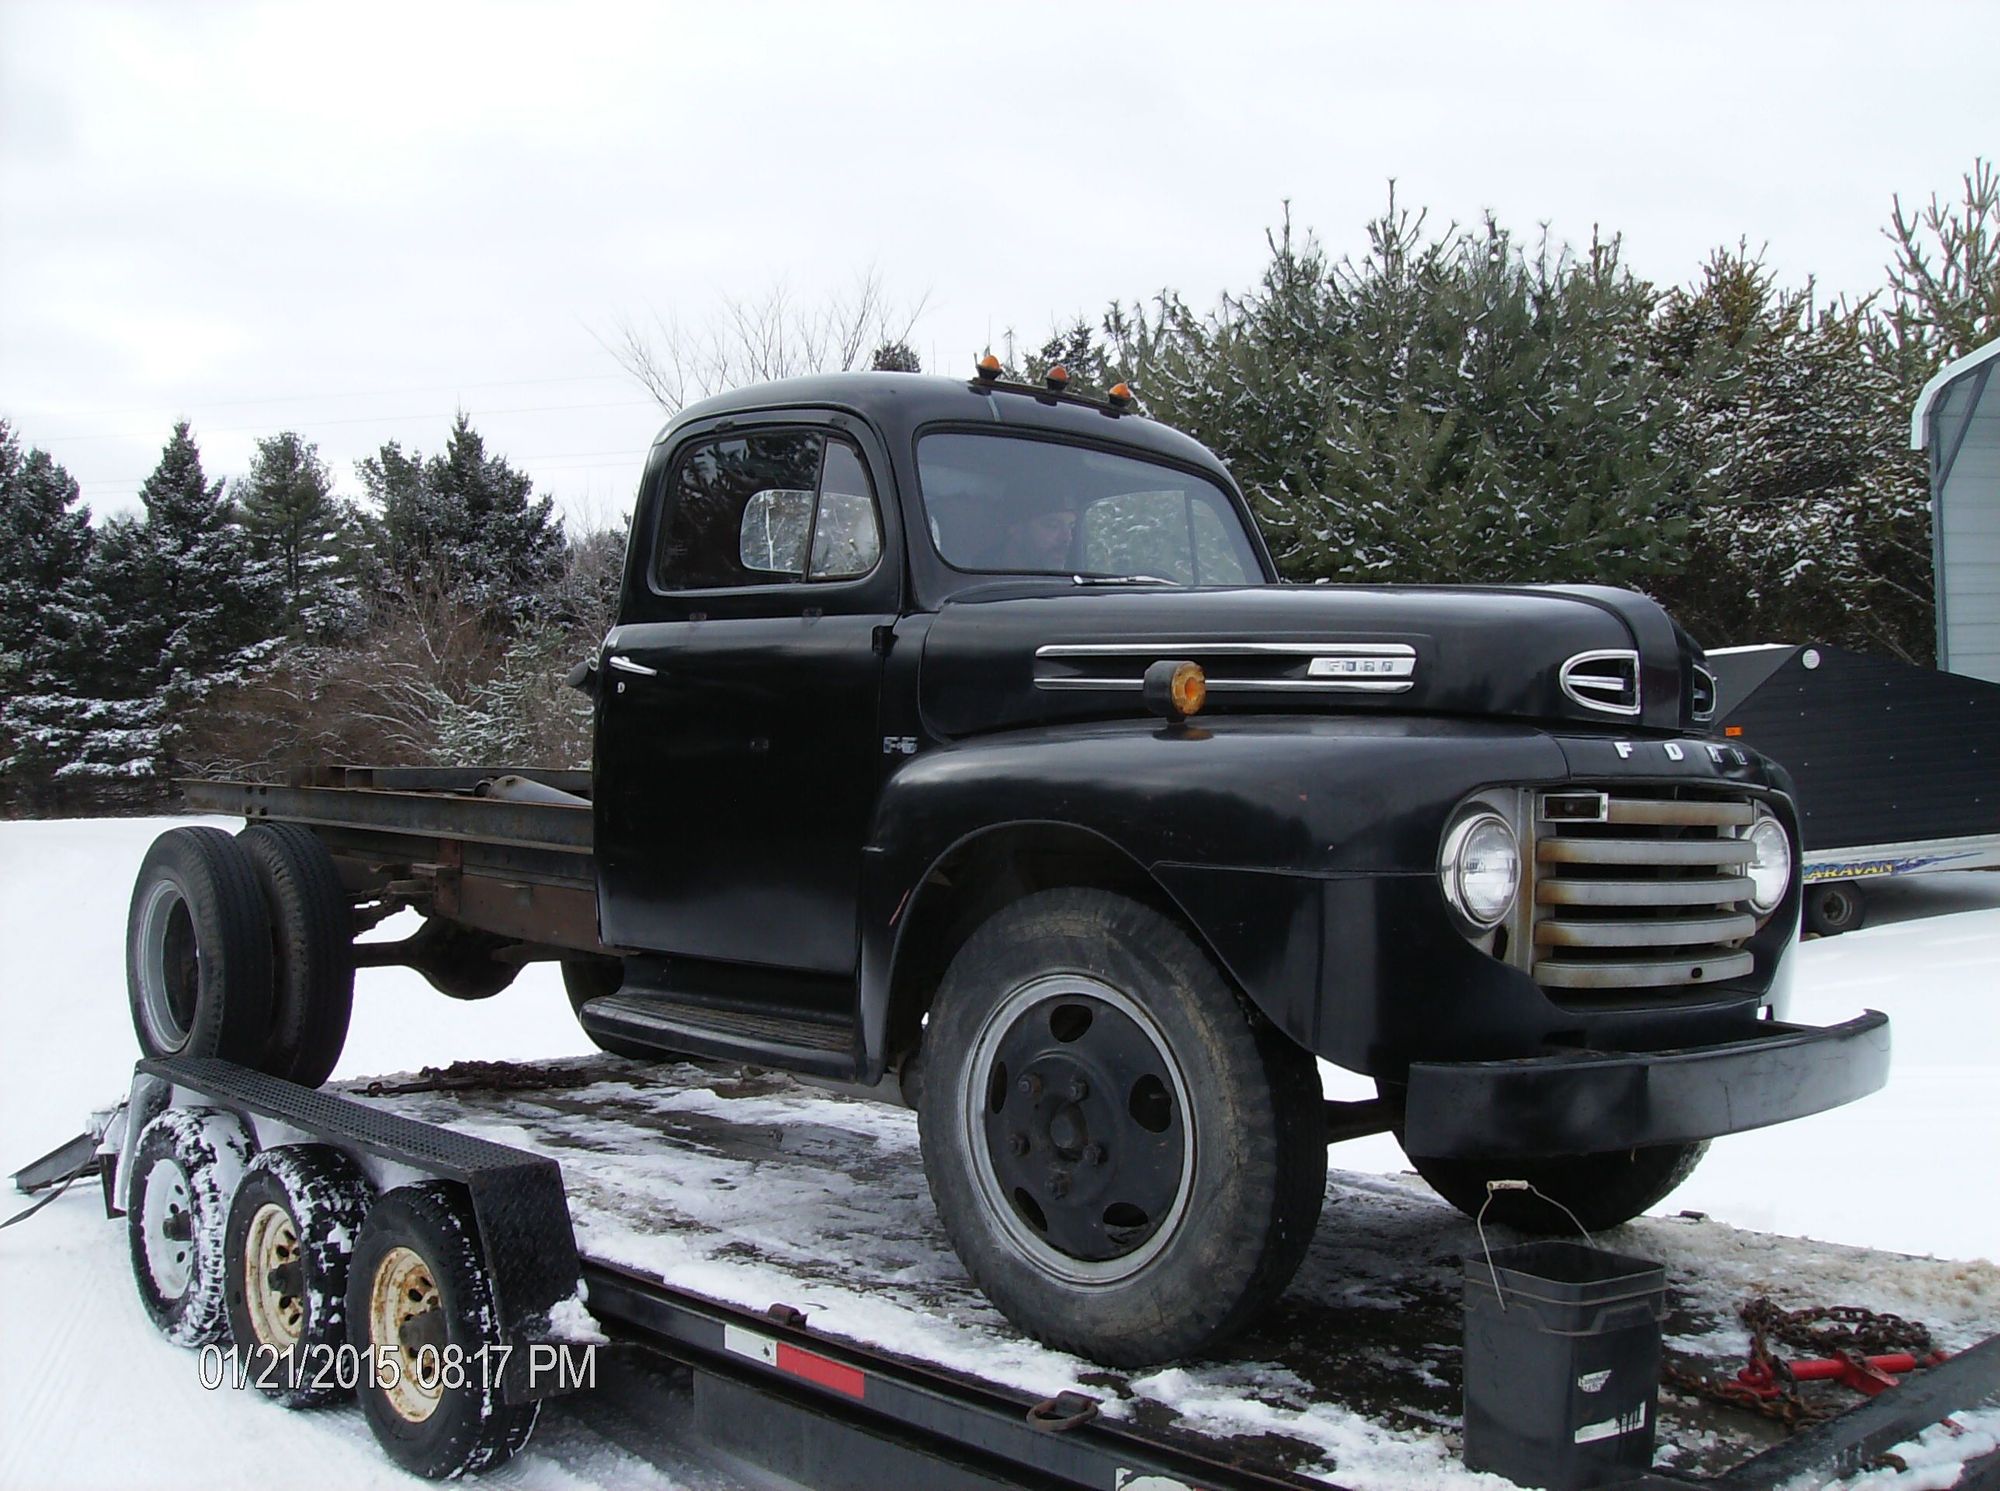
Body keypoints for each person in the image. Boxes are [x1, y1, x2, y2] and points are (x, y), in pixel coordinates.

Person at [994, 495, 1076, 571]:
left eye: (1071, 527)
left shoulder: (1073, 580)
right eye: (1053, 526)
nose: (1067, 538)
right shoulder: (983, 580)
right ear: (1016, 529)